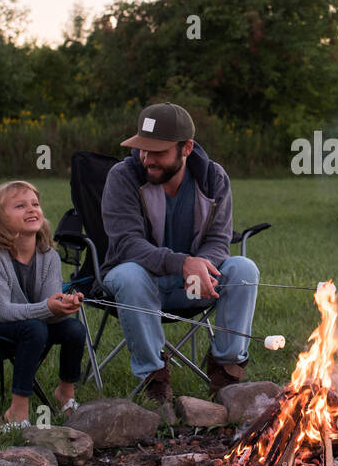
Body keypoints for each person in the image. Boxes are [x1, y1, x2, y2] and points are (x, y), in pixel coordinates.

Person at [102, 102, 259, 402]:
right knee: (129, 274)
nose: (147, 159)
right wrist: (182, 263)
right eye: (142, 149)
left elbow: (218, 239)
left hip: (194, 286)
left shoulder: (213, 177)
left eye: (158, 152)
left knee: (243, 269)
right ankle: (154, 381)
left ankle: (226, 373)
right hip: (141, 284)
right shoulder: (123, 176)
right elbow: (127, 244)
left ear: (186, 148)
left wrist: (201, 266)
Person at [0, 180, 86, 430]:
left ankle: (65, 393)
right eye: (20, 206)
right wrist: (48, 308)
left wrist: (63, 306)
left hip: (30, 323)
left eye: (35, 204)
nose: (31, 209)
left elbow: (48, 308)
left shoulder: (48, 254)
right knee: (35, 329)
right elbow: (3, 312)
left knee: (74, 329)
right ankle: (16, 412)